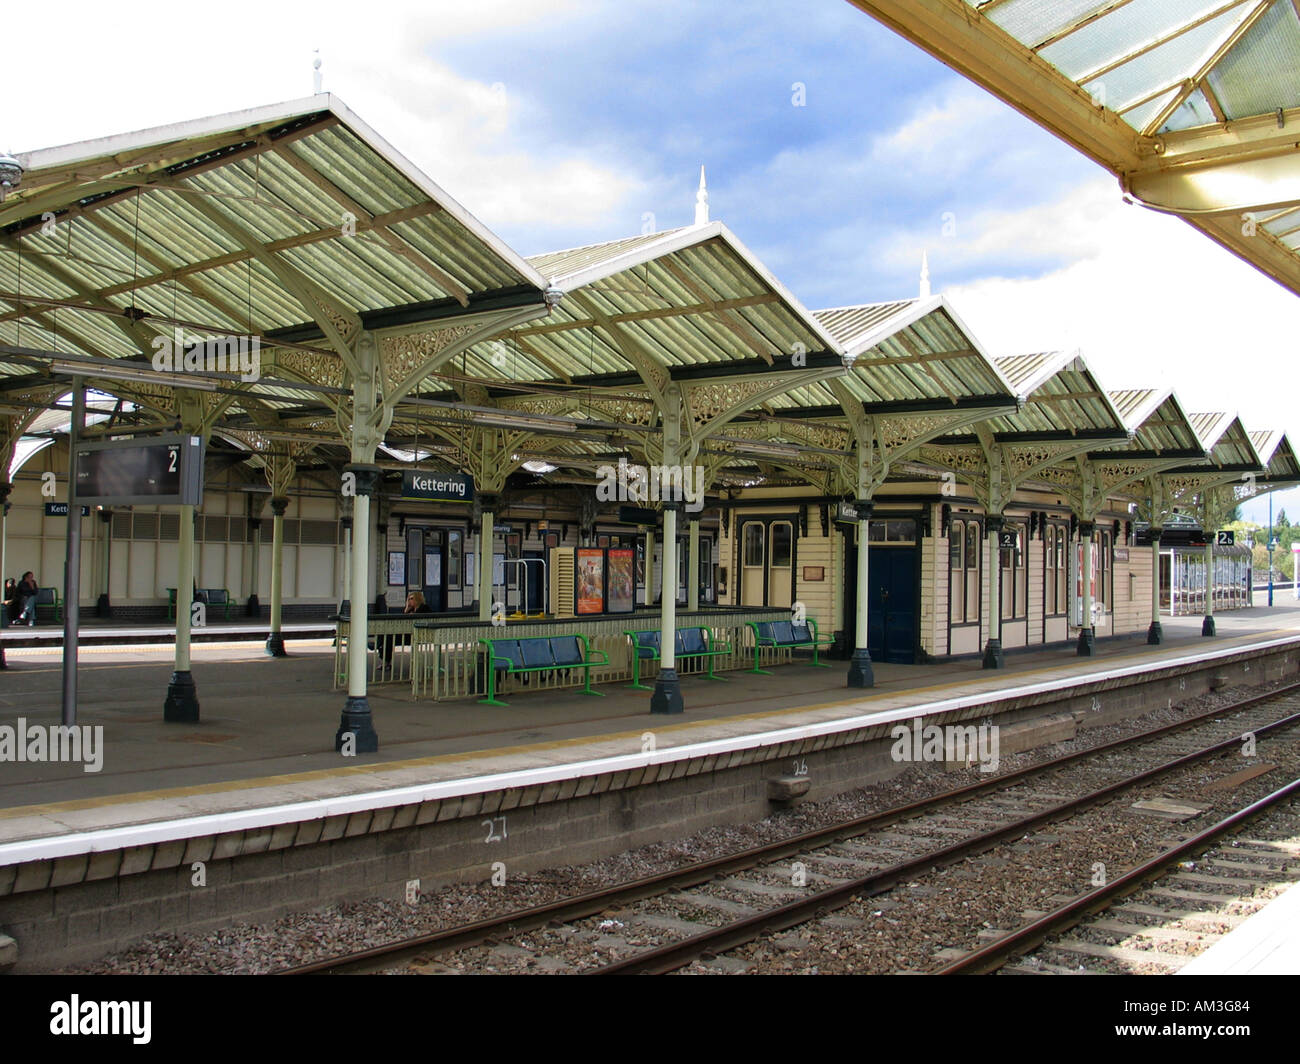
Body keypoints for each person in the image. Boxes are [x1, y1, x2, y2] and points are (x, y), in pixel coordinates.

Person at [380, 591, 433, 668]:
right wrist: (406, 609)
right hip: (410, 633)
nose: (410, 601)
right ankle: (381, 650)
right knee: (386, 636)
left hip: (419, 634)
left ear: (418, 599)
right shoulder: (411, 610)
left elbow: (426, 618)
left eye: (412, 598)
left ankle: (386, 660)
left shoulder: (424, 607)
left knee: (389, 638)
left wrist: (414, 615)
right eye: (408, 599)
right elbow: (403, 621)